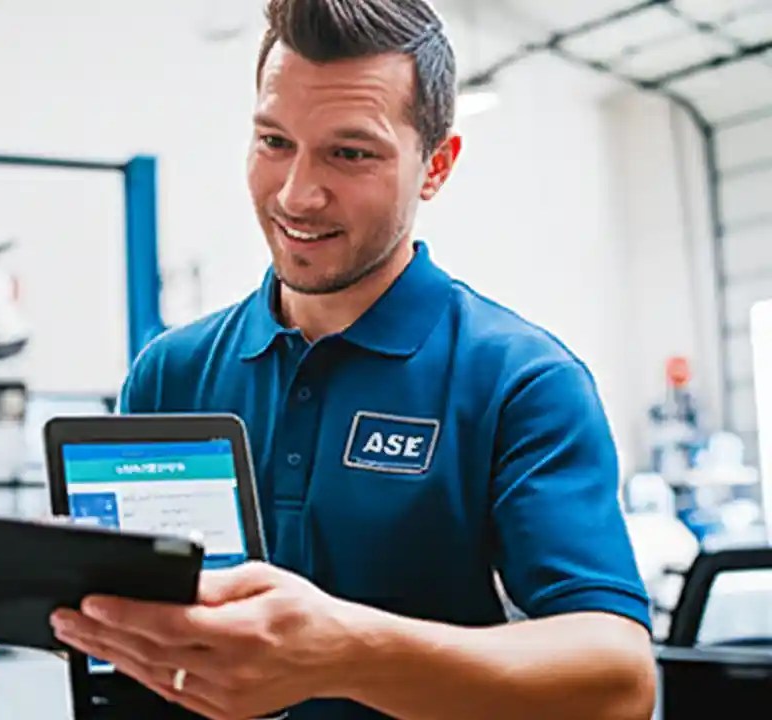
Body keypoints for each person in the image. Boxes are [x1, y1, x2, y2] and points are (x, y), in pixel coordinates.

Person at [50, 0, 658, 718]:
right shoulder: (170, 373)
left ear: (436, 166)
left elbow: (619, 681)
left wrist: (341, 654)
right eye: (275, 142)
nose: (297, 194)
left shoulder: (520, 382)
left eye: (350, 153)